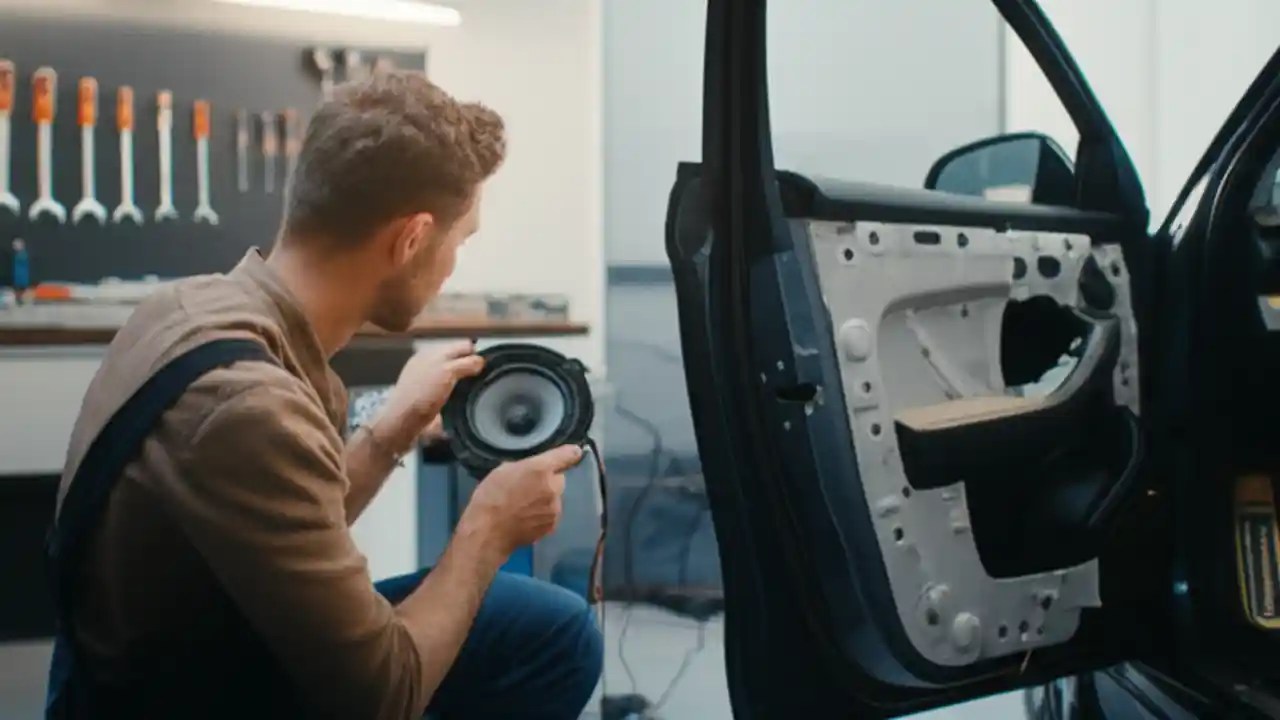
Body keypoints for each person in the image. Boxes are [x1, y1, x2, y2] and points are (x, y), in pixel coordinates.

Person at [48, 71, 603, 719]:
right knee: (555, 639)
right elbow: (382, 698)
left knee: (534, 622)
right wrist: (486, 530)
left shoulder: (187, 308)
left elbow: (283, 525)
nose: (455, 262)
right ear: (411, 238)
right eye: (461, 239)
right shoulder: (248, 407)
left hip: (175, 653)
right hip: (170, 700)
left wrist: (393, 427)